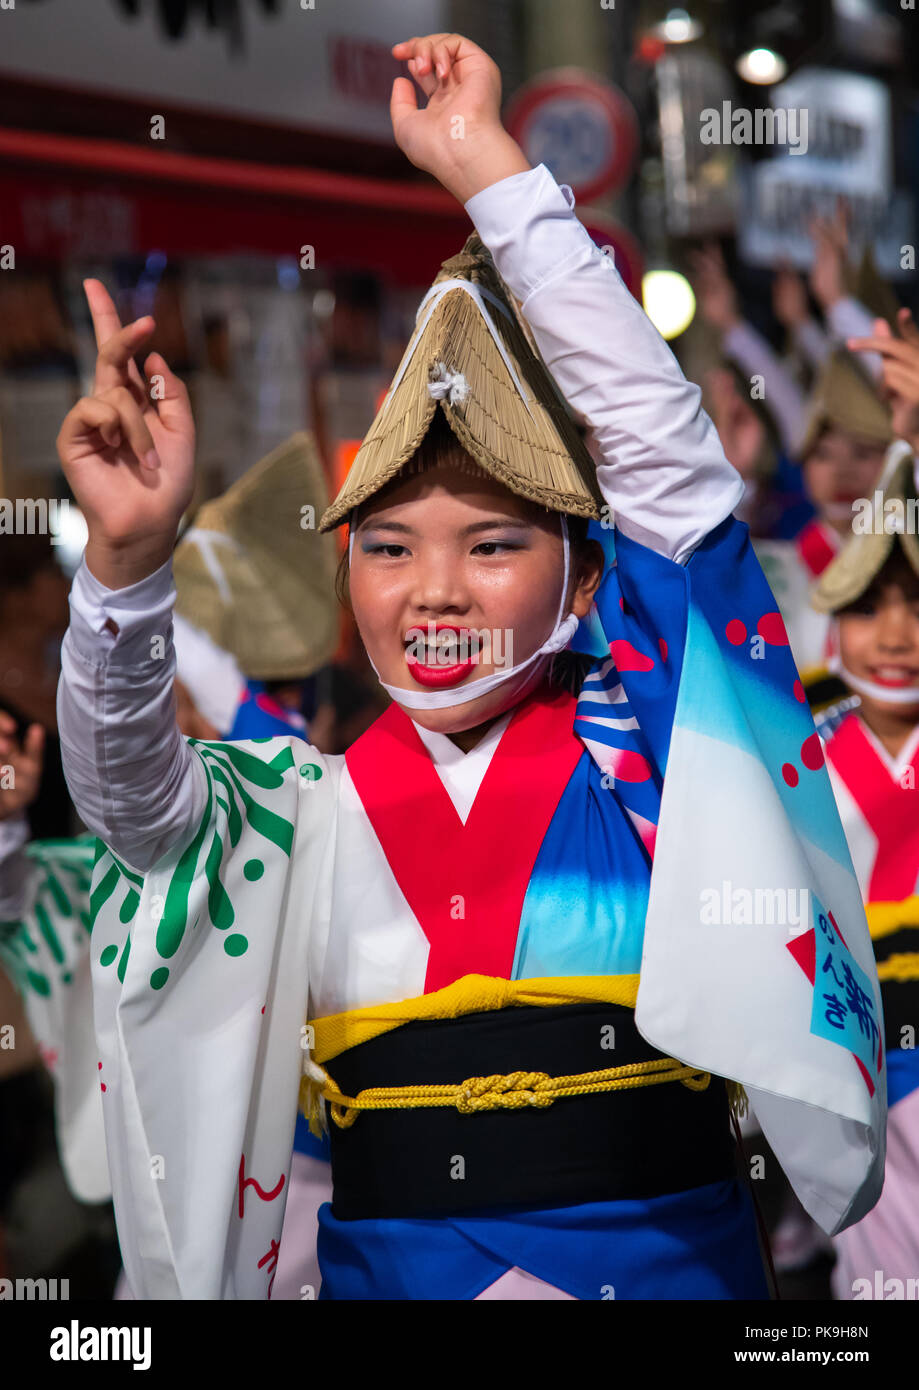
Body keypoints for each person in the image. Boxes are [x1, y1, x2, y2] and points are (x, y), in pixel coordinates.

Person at [52, 32, 884, 1301]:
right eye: (386, 547)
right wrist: (125, 565)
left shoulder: (658, 771)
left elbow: (676, 487)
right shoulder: (295, 811)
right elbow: (127, 801)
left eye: (494, 543)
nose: (434, 588)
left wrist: (497, 176)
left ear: (590, 577)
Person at [808, 451, 919, 1299]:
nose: (895, 636)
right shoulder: (800, 760)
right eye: (865, 607)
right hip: (855, 1078)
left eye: (916, 604)